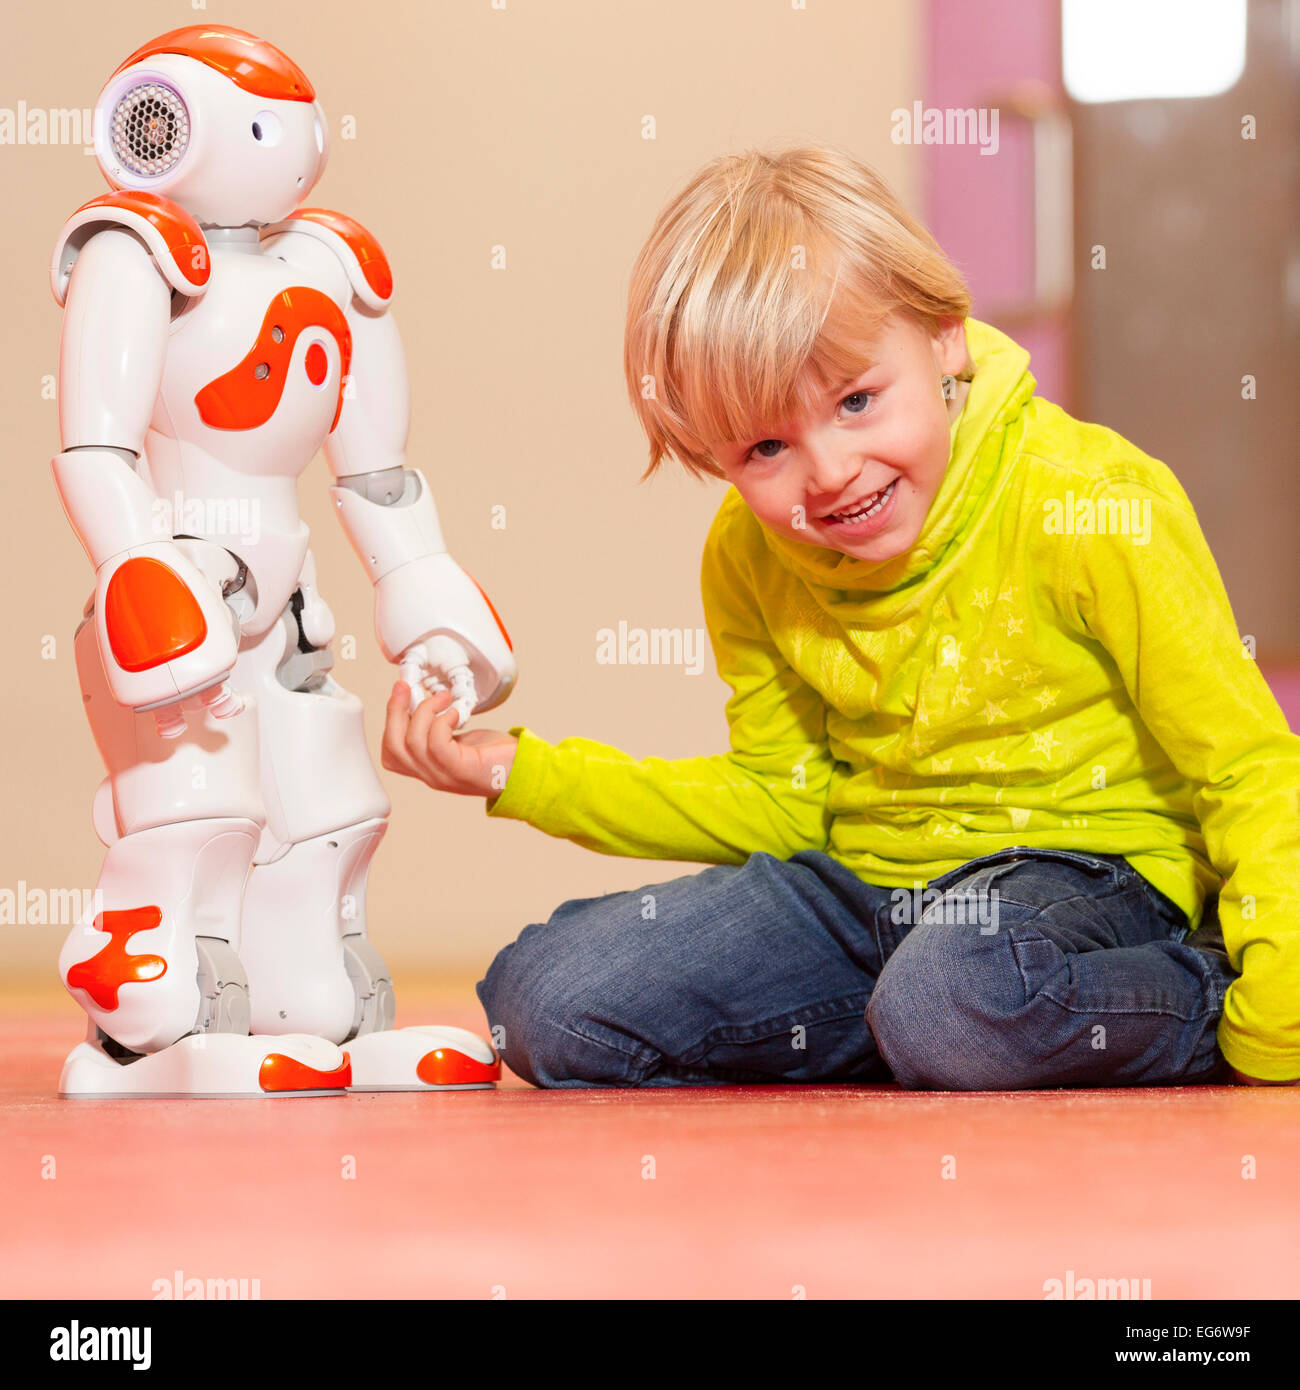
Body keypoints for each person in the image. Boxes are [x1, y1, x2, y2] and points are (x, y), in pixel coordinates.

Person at [381, 142, 1300, 1090]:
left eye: (858, 401)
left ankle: (1155, 1000)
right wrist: (515, 769)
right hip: (865, 885)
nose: (828, 474)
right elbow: (778, 798)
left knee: (952, 996)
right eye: (767, 445)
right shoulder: (748, 552)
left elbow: (1243, 763)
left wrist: (1278, 1015)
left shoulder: (1091, 500)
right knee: (548, 1000)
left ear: (945, 338)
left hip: (1085, 875)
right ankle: (924, 1033)